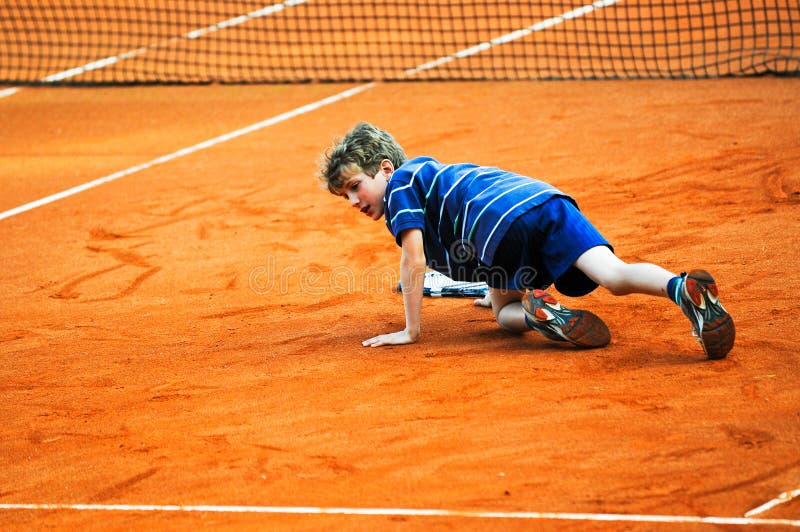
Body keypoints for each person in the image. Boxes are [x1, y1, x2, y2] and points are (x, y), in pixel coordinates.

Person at [317, 122, 735, 359]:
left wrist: (410, 330)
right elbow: (461, 230)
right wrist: (491, 282)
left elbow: (414, 258)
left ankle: (537, 314)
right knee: (616, 275)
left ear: (386, 169)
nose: (354, 201)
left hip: (498, 222)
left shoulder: (401, 186)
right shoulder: (435, 178)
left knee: (504, 316)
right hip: (543, 199)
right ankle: (680, 287)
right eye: (345, 196)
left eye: (356, 186)